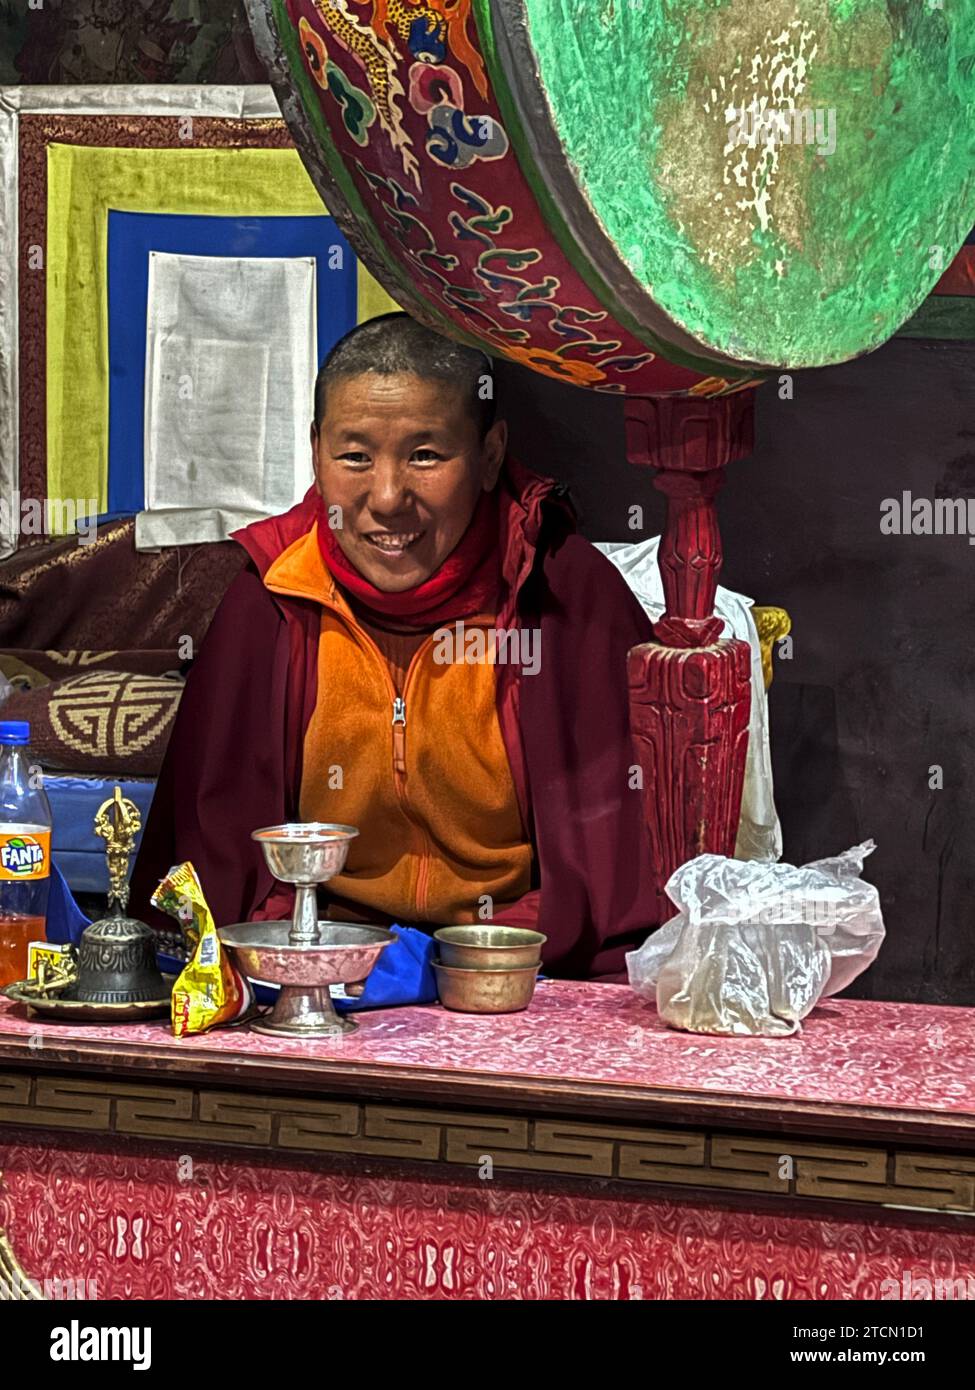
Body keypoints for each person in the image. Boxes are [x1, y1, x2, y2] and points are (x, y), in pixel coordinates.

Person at [131, 313, 659, 978]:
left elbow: (619, 880)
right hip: (319, 971)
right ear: (316, 452)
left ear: (490, 455)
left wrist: (457, 962)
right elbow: (212, 862)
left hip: (521, 970)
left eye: (426, 455)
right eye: (354, 457)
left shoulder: (561, 593)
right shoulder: (273, 593)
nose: (385, 498)